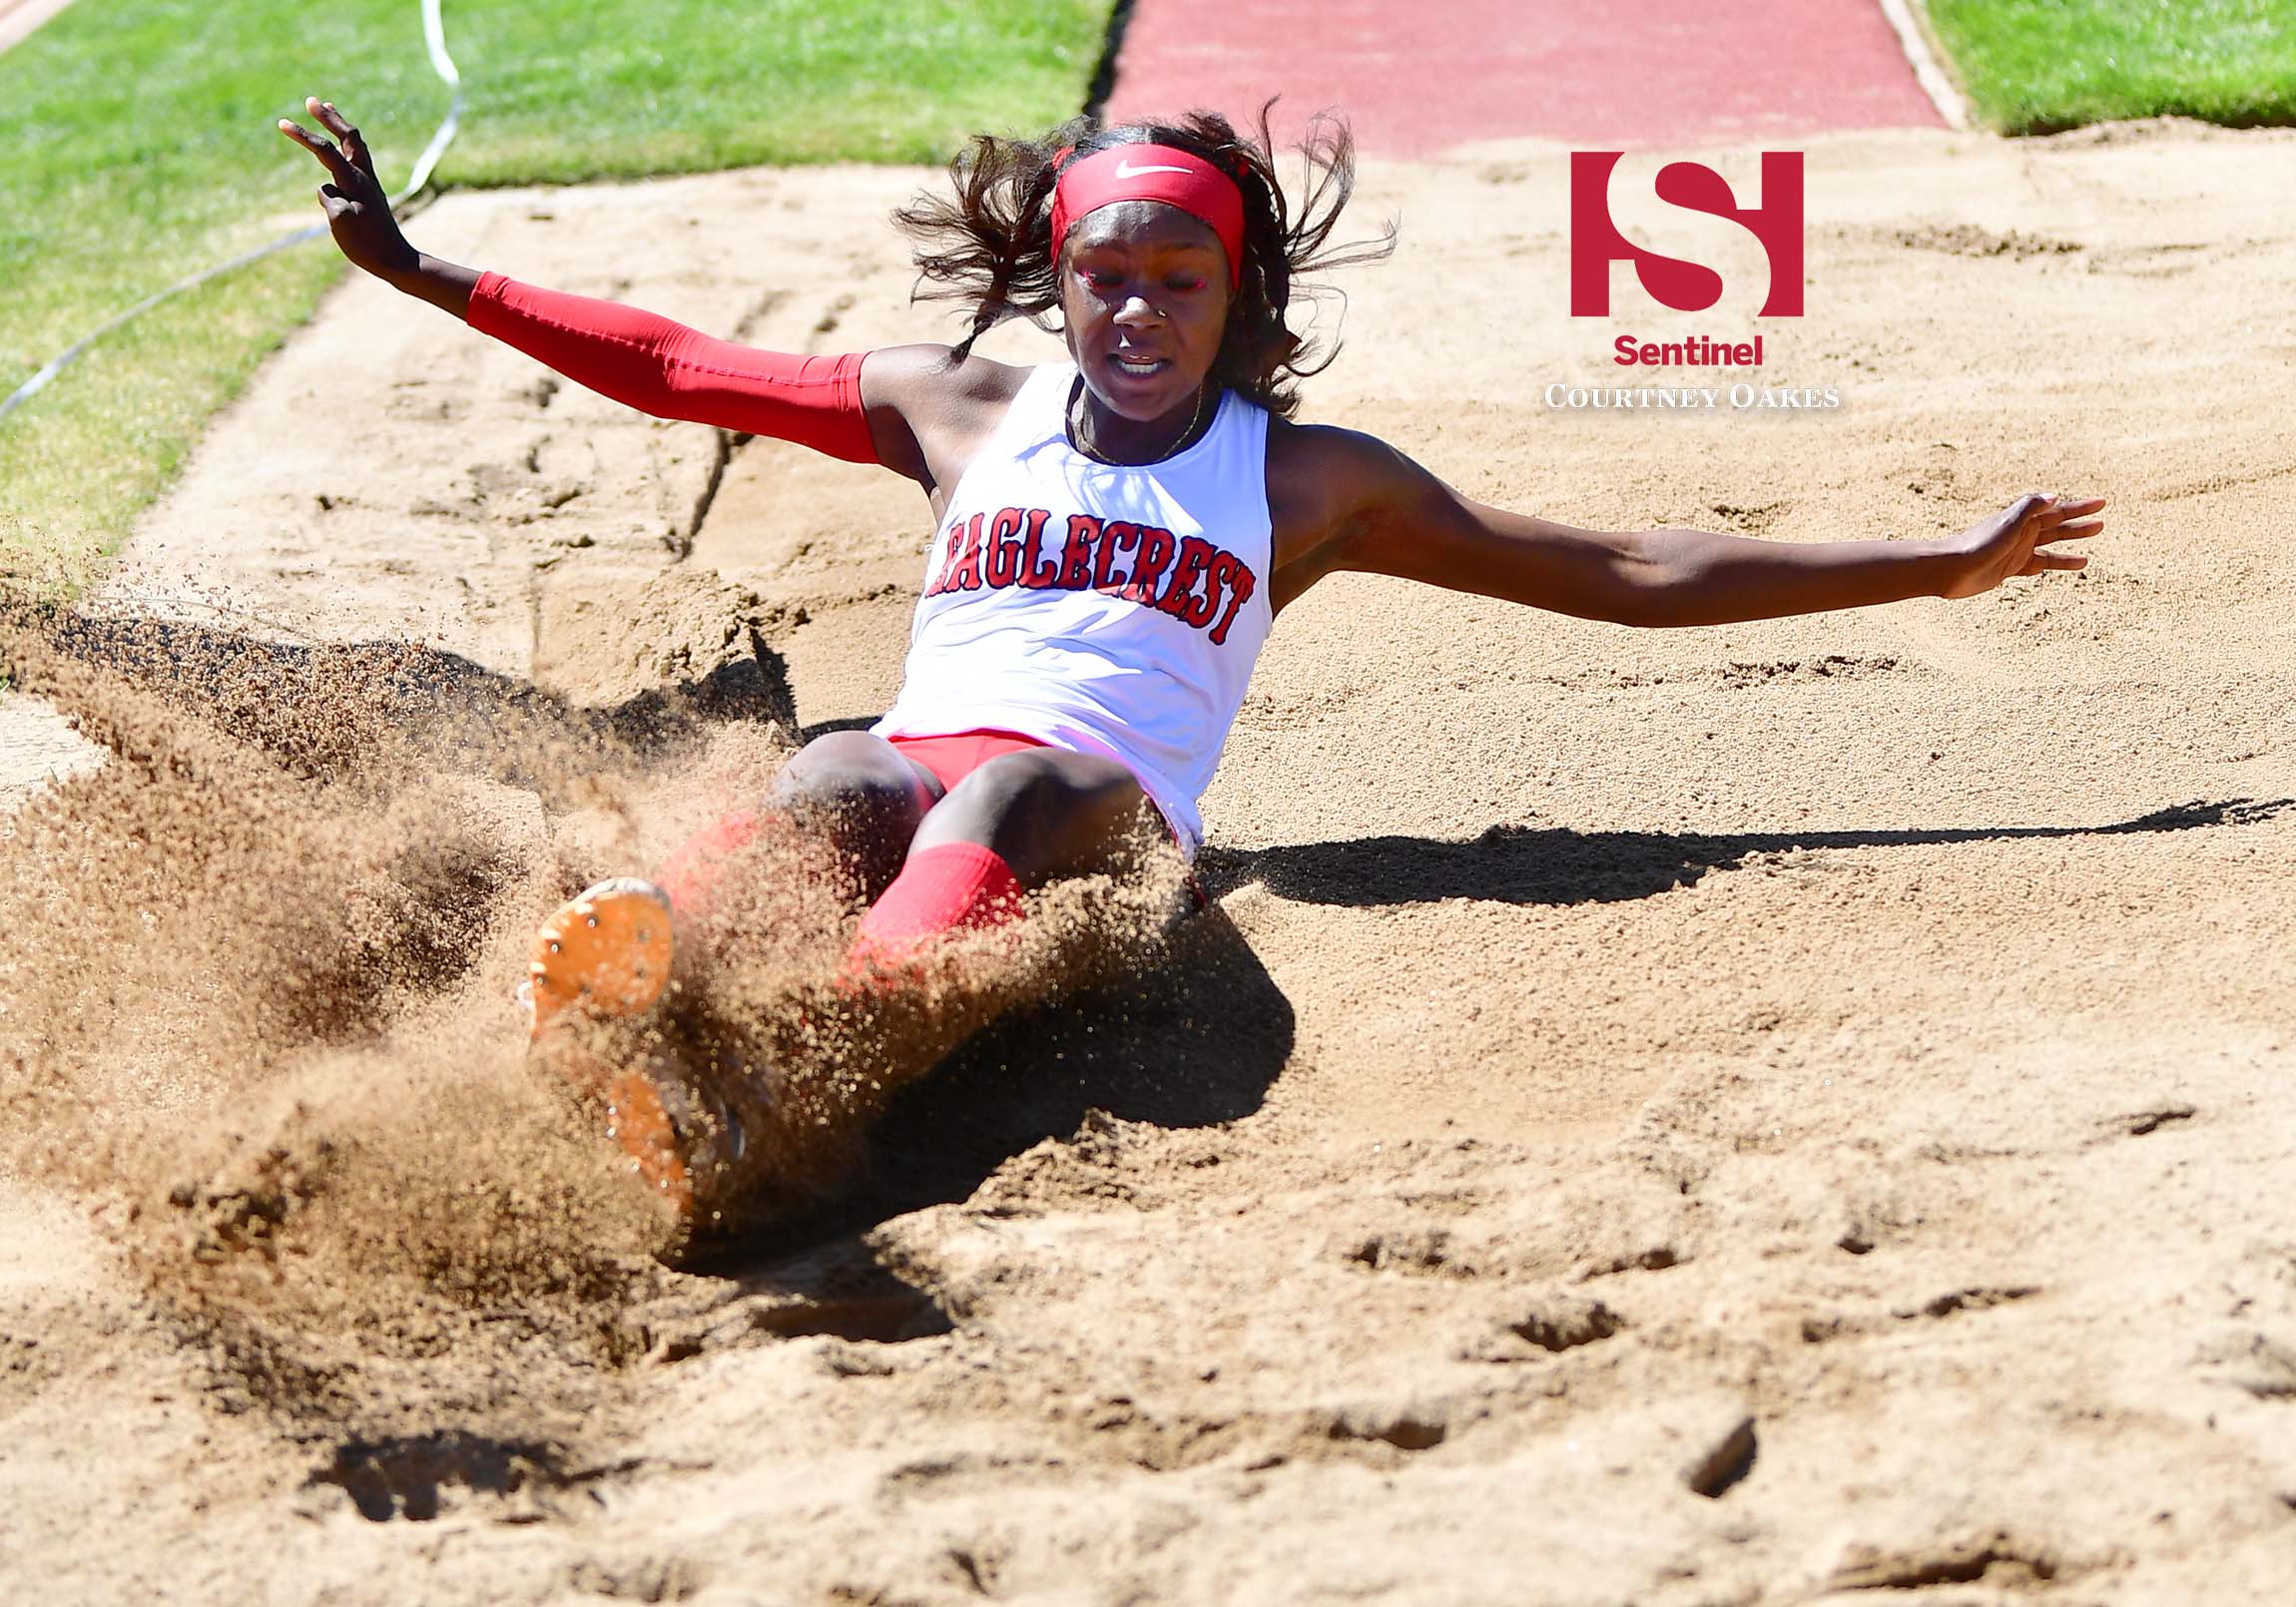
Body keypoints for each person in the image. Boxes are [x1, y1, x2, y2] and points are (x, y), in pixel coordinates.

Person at [279, 95, 2105, 1228]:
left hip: (1111, 818)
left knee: (996, 784)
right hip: (924, 767)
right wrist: (436, 277)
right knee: (840, 768)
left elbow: (1625, 565)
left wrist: (1933, 571)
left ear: (1241, 300)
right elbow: (687, 370)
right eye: (1106, 279)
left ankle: (797, 1077)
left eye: (1181, 282)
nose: (1139, 312)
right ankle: (627, 996)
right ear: (1054, 281)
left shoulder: (1306, 482)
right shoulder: (959, 412)